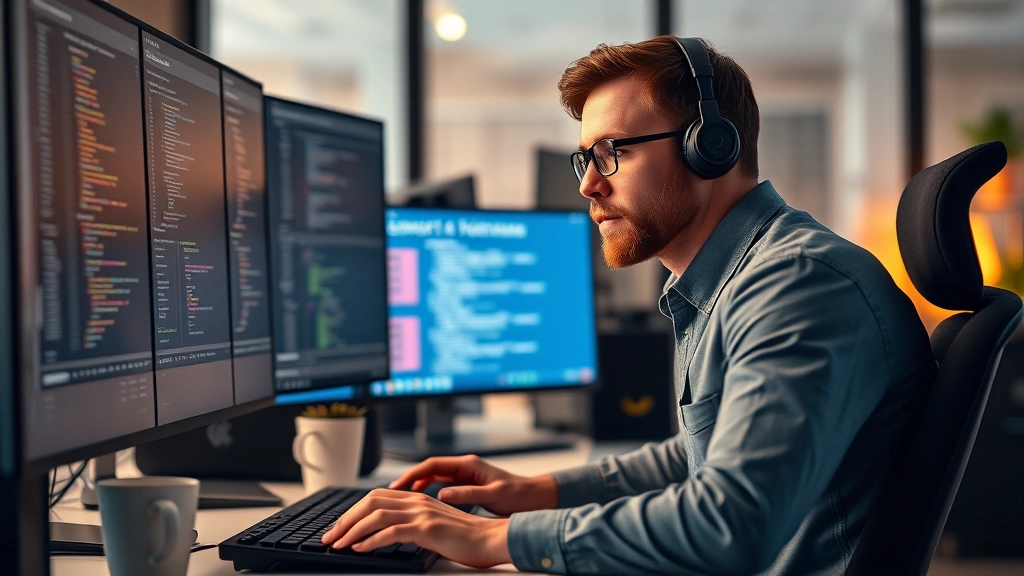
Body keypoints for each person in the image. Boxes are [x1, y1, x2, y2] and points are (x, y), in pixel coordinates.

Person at [320, 36, 936, 574]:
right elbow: (701, 455)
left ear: (709, 147)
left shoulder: (798, 286)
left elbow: (732, 524)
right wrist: (532, 490)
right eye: (585, 157)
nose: (588, 183)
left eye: (613, 150)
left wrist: (491, 536)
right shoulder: (733, 281)